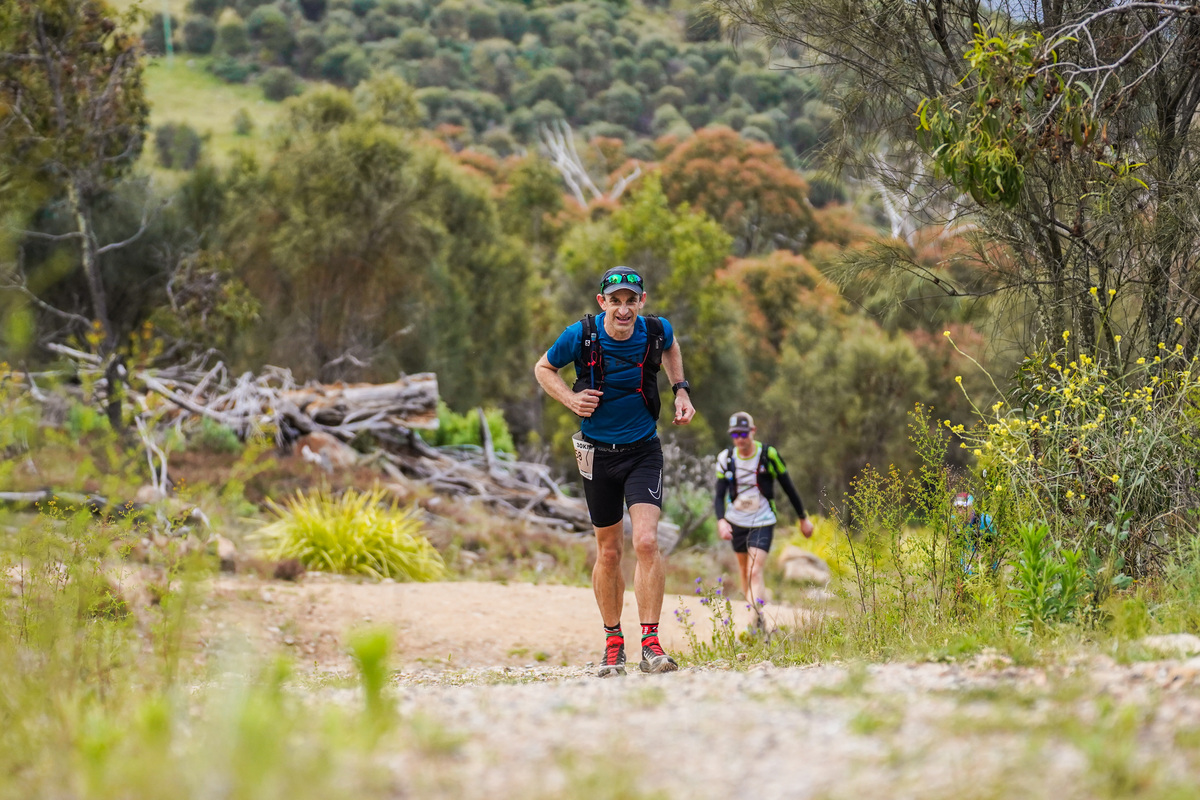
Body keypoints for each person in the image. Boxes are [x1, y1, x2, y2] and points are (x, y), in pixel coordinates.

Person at [534, 266, 696, 677]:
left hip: (643, 451)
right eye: (615, 301)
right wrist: (571, 400)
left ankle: (651, 644)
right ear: (602, 302)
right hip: (597, 455)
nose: (623, 309)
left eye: (631, 300)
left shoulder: (656, 330)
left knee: (645, 542)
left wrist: (681, 391)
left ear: (641, 301)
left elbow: (672, 347)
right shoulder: (582, 335)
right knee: (608, 551)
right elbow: (543, 369)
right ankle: (613, 644)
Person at [714, 412, 812, 625]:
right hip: (736, 521)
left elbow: (788, 486)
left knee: (755, 570)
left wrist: (802, 517)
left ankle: (754, 621)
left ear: (753, 431)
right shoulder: (725, 458)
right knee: (744, 573)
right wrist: (721, 520)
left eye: (743, 433)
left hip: (763, 521)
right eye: (735, 434)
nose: (740, 438)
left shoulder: (768, 455)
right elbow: (719, 495)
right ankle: (756, 610)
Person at [953, 492, 997, 574]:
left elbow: (999, 541)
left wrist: (986, 555)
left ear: (971, 507)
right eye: (958, 508)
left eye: (964, 508)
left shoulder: (985, 520)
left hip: (984, 565)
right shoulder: (953, 522)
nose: (960, 512)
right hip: (964, 564)